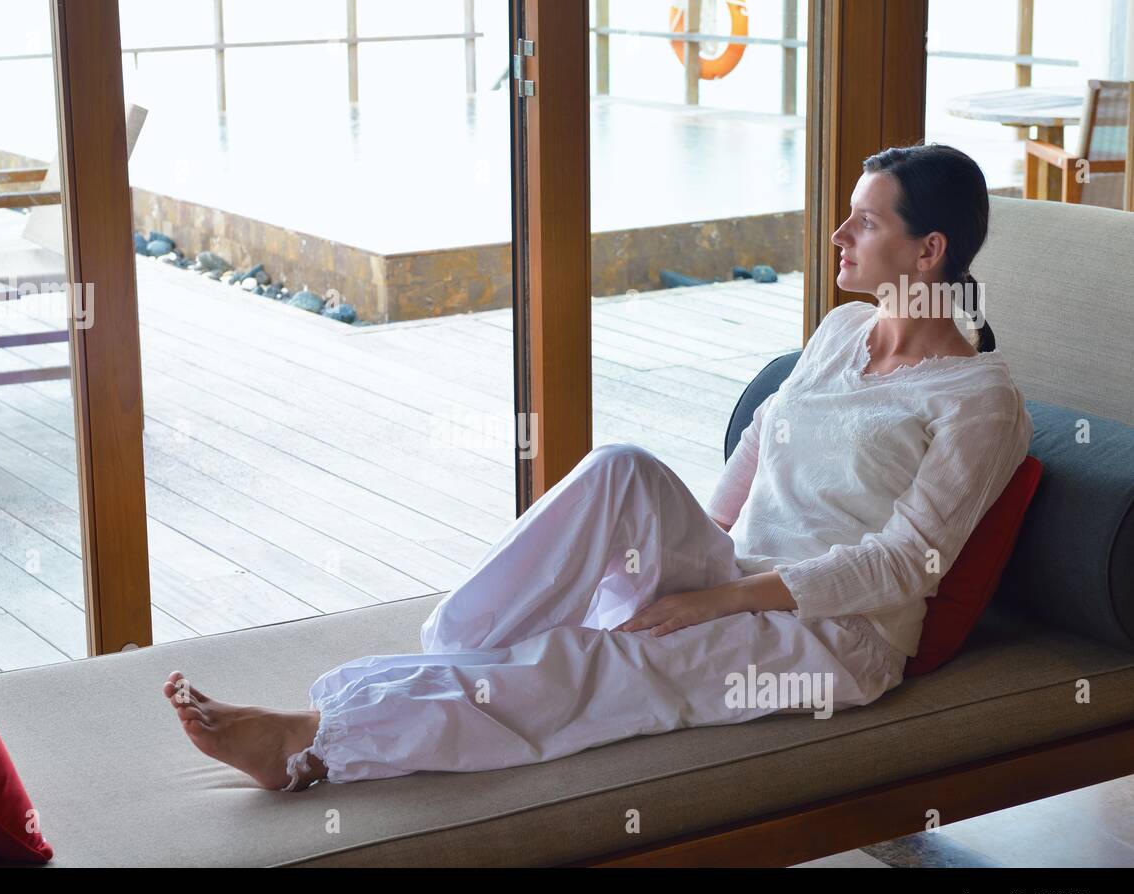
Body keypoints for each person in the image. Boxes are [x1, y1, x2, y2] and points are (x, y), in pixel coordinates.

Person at [162, 142, 1033, 792]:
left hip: (839, 635)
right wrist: (691, 550)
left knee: (604, 663)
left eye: (867, 220)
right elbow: (765, 439)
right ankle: (454, 659)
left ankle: (317, 739)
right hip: (743, 569)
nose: (839, 233)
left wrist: (713, 602)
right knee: (622, 467)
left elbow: (901, 563)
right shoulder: (843, 331)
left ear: (928, 252)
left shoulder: (979, 402)